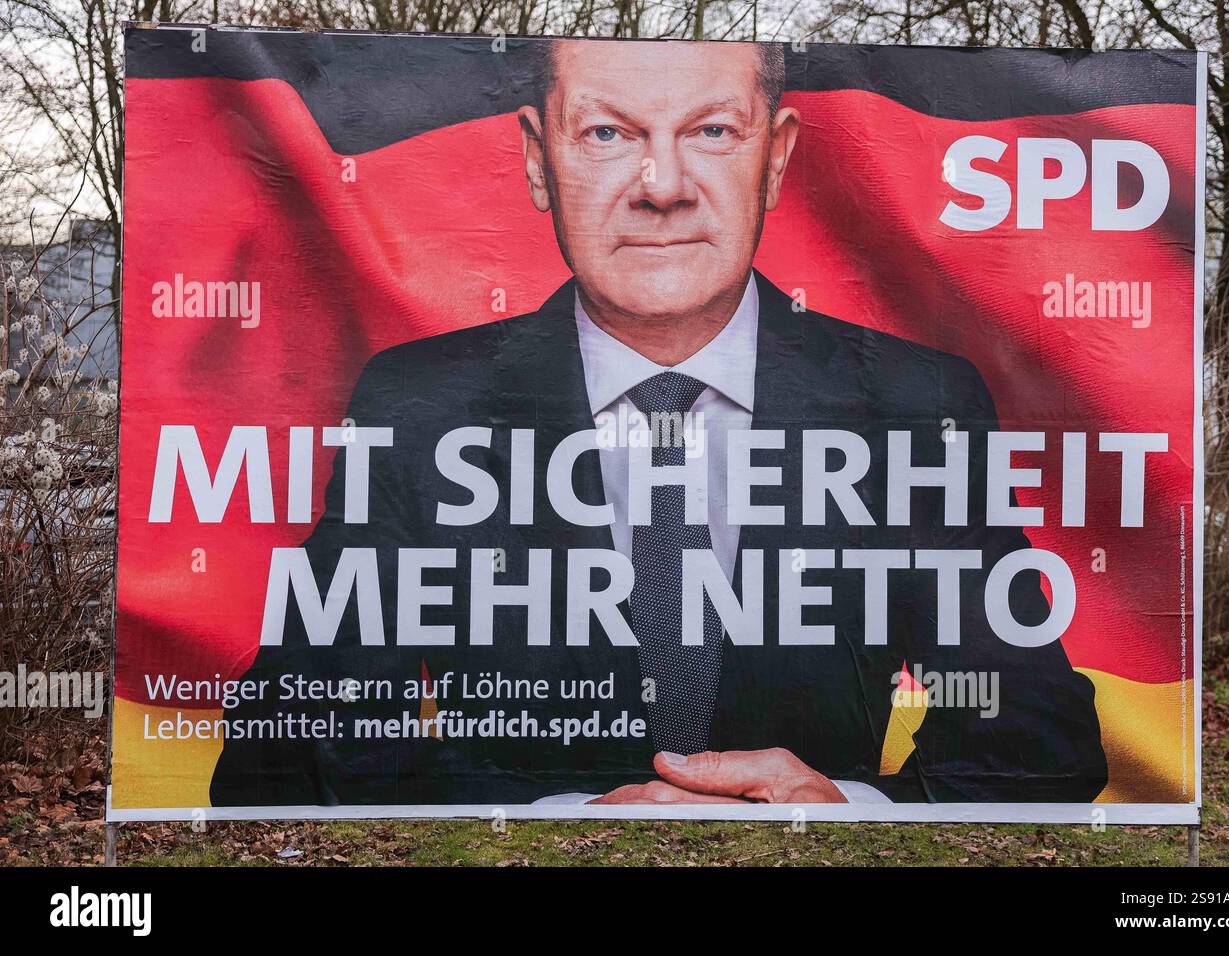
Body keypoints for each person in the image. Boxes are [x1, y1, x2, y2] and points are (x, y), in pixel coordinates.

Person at [211, 39, 1107, 808]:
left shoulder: (918, 405)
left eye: (712, 132)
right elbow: (280, 751)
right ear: (536, 159)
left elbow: (1039, 751)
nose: (663, 186)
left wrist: (846, 812)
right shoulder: (417, 408)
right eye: (607, 134)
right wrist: (564, 820)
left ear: (778, 158)